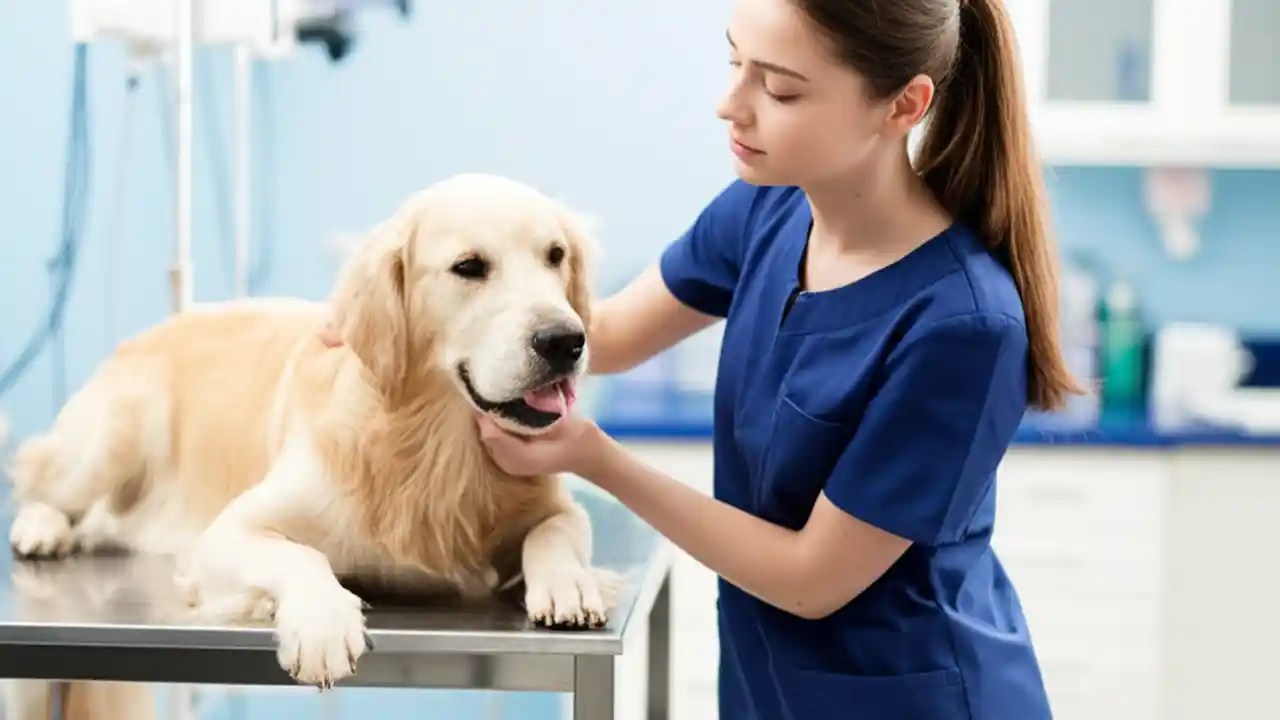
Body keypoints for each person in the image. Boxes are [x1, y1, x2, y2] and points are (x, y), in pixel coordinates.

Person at [346, 0, 1080, 716]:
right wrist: (399, 316)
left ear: (902, 106)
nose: (732, 104)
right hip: (769, 686)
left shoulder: (961, 327)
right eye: (735, 61)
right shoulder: (769, 210)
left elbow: (810, 580)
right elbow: (616, 334)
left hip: (914, 694)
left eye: (781, 87)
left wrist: (595, 459)